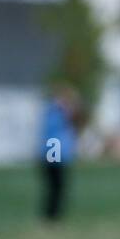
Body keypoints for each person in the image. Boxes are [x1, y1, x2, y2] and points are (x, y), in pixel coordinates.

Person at [41, 84, 80, 221]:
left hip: (57, 153)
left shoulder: (55, 111)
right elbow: (53, 136)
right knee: (55, 187)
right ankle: (51, 217)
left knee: (58, 187)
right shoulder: (55, 111)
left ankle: (54, 216)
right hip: (54, 152)